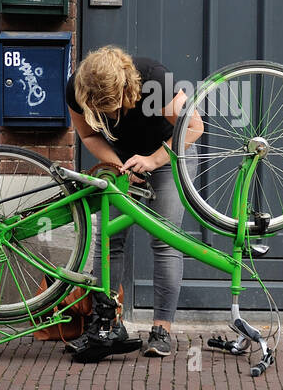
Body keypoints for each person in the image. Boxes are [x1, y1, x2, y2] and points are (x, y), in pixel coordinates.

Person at [64, 46, 203, 358]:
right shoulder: (75, 89)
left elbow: (194, 127)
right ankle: (108, 325)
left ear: (127, 87)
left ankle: (161, 330)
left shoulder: (153, 79)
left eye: (114, 108)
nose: (112, 116)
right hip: (122, 160)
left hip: (168, 154)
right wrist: (116, 167)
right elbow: (88, 136)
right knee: (108, 239)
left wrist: (153, 161)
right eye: (103, 111)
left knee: (165, 239)